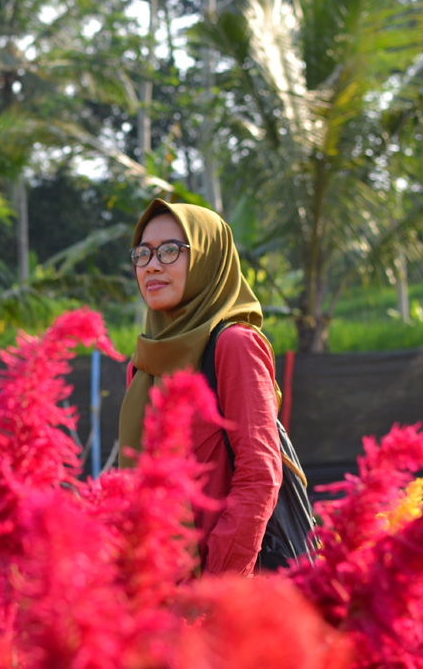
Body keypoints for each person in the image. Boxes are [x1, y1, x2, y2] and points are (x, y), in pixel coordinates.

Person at [117, 198, 282, 577]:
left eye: (170, 251)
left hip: (220, 584)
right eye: (142, 253)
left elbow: (259, 475)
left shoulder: (235, 345)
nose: (152, 265)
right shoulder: (143, 364)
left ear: (208, 259)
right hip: (155, 585)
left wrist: (216, 586)